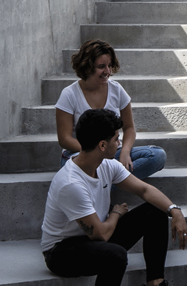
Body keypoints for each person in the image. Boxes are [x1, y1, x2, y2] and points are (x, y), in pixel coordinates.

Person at [40, 107, 187, 286]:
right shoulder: (70, 183)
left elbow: (144, 191)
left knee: (155, 211)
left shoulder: (106, 165)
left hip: (96, 236)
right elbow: (100, 235)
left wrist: (175, 211)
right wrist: (116, 213)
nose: (120, 143)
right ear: (102, 144)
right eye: (116, 139)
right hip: (62, 251)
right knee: (115, 254)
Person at [56, 39, 165, 181]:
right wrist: (97, 152)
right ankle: (114, 181)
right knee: (89, 169)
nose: (107, 71)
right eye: (101, 66)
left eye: (109, 65)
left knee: (157, 155)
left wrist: (125, 152)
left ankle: (106, 183)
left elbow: (129, 128)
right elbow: (64, 139)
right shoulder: (69, 94)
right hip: (81, 154)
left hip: (113, 151)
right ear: (87, 67)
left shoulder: (117, 89)